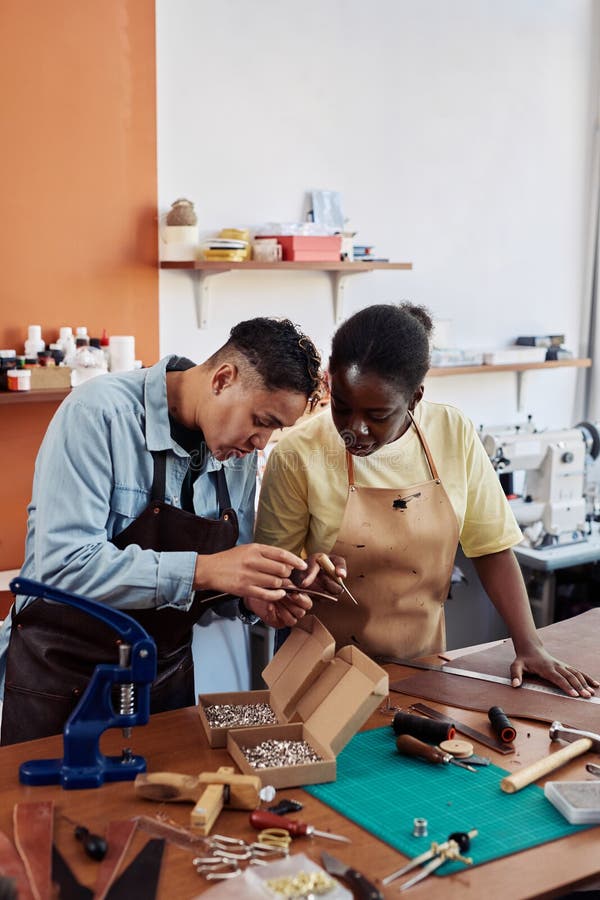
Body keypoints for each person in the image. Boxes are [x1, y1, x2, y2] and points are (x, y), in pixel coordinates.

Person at [0, 317, 320, 744]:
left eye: (275, 430)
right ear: (223, 379)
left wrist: (254, 595)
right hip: (61, 684)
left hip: (164, 685)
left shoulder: (237, 454)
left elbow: (223, 574)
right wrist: (201, 570)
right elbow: (65, 564)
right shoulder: (99, 413)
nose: (261, 442)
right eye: (261, 421)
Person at [255, 303, 598, 698]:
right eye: (342, 407)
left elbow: (491, 550)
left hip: (420, 668)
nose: (355, 429)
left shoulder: (452, 431)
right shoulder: (298, 454)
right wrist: (304, 578)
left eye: (377, 414)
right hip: (320, 673)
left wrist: (530, 646)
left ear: (415, 397)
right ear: (330, 381)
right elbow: (269, 582)